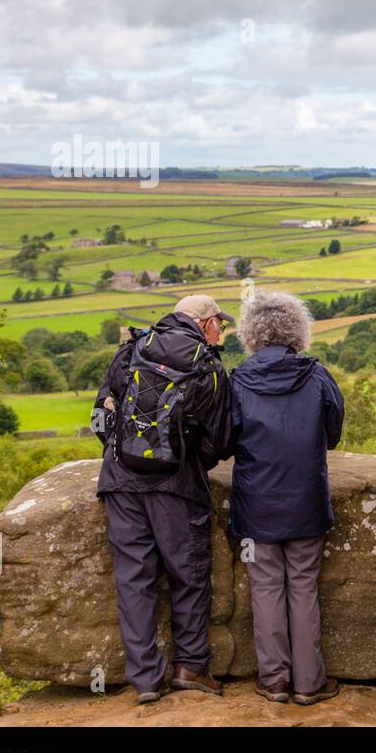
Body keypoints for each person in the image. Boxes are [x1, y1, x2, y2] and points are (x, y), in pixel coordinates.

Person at [92, 295, 233, 704]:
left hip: (121, 482)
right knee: (187, 575)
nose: (220, 331)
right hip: (177, 487)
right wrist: (185, 459)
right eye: (218, 324)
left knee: (133, 580)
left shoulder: (130, 350)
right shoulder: (209, 367)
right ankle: (191, 667)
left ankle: (147, 680)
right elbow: (220, 440)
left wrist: (128, 455)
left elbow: (102, 417)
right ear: (205, 324)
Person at [228, 290, 344, 705]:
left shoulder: (238, 380)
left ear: (251, 332)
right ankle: (310, 685)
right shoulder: (317, 377)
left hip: (256, 505)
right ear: (297, 328)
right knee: (303, 587)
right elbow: (332, 432)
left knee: (265, 589)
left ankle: (274, 681)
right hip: (307, 502)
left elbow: (225, 441)